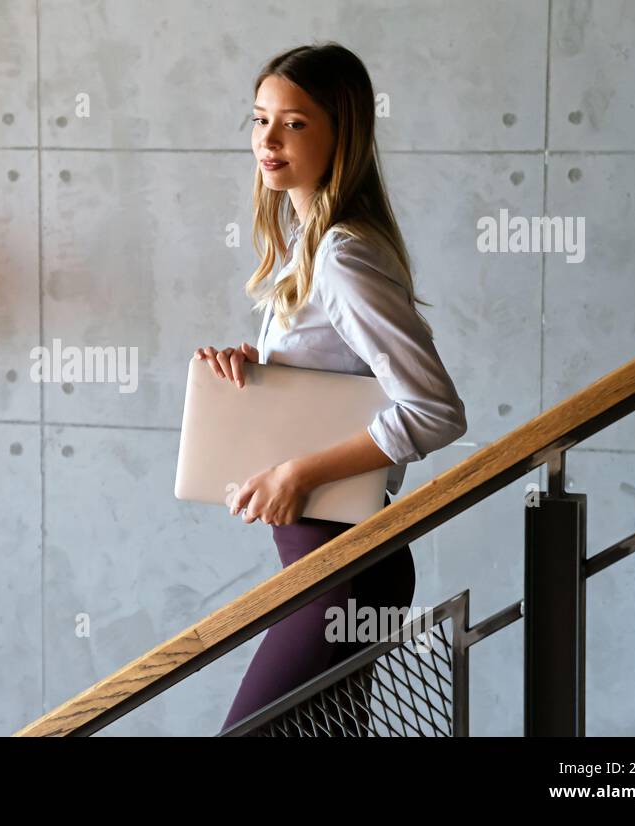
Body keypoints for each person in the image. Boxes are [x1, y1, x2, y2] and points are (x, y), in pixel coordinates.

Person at [196, 42, 468, 735]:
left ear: (340, 133)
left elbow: (434, 411)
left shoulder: (343, 256)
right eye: (260, 120)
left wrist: (297, 471)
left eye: (294, 122)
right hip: (339, 565)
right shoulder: (309, 247)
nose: (269, 139)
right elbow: (346, 371)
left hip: (339, 568)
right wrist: (263, 367)